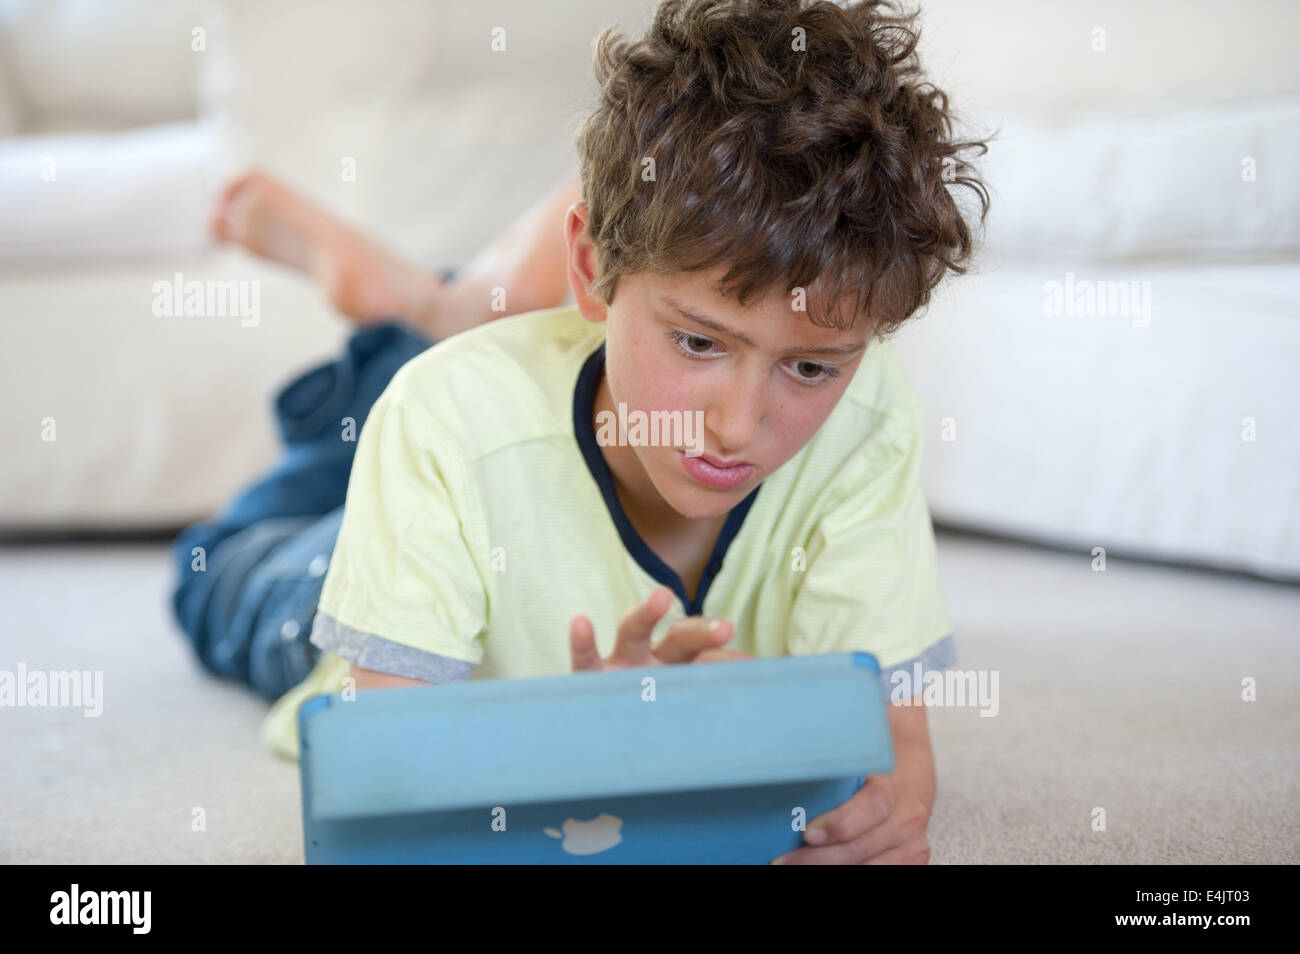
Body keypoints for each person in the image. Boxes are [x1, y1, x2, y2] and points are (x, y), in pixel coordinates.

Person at [172, 0, 989, 865]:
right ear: (593, 271)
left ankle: (437, 304)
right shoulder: (444, 423)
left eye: (812, 369)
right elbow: (390, 796)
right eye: (699, 341)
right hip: (415, 500)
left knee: (469, 380)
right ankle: (408, 323)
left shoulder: (869, 414)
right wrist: (579, 744)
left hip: (514, 402)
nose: (738, 428)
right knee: (219, 578)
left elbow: (893, 759)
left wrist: (867, 810)